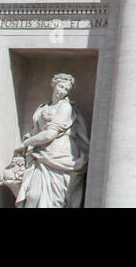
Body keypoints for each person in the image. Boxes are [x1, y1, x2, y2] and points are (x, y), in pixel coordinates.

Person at [14, 73, 90, 208]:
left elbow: (50, 135)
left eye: (66, 89)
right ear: (53, 85)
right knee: (33, 196)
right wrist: (29, 138)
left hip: (59, 155)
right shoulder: (43, 108)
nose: (63, 91)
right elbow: (36, 131)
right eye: (61, 86)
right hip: (40, 154)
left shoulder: (66, 107)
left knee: (55, 200)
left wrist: (26, 143)